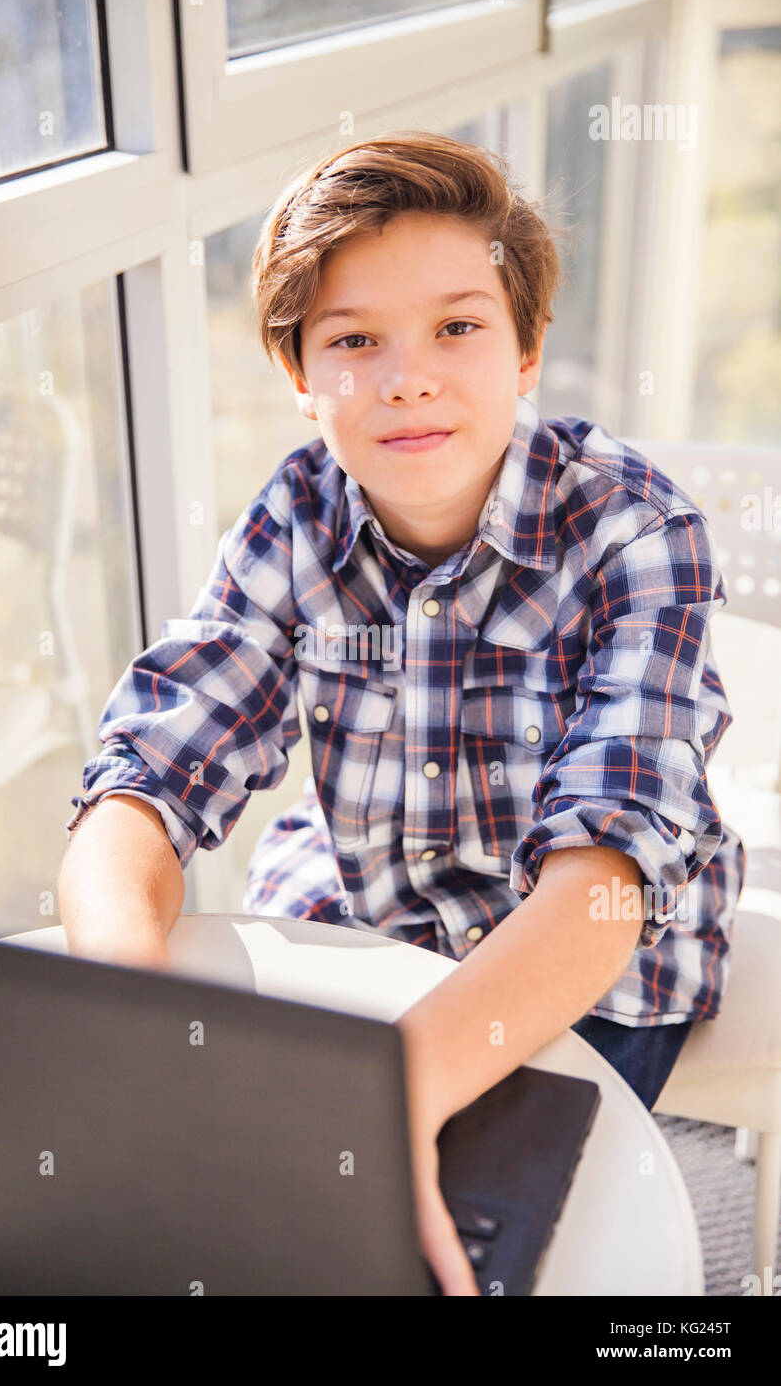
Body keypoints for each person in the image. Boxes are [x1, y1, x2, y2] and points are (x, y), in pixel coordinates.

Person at [58, 131, 746, 1295]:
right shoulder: (296, 517)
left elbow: (606, 880)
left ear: (526, 347)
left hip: (582, 963)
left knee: (441, 1251)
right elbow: (144, 776)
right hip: (374, 917)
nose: (406, 376)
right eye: (352, 341)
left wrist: (382, 1097)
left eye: (457, 327)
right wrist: (138, 1028)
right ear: (299, 376)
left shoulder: (635, 530)